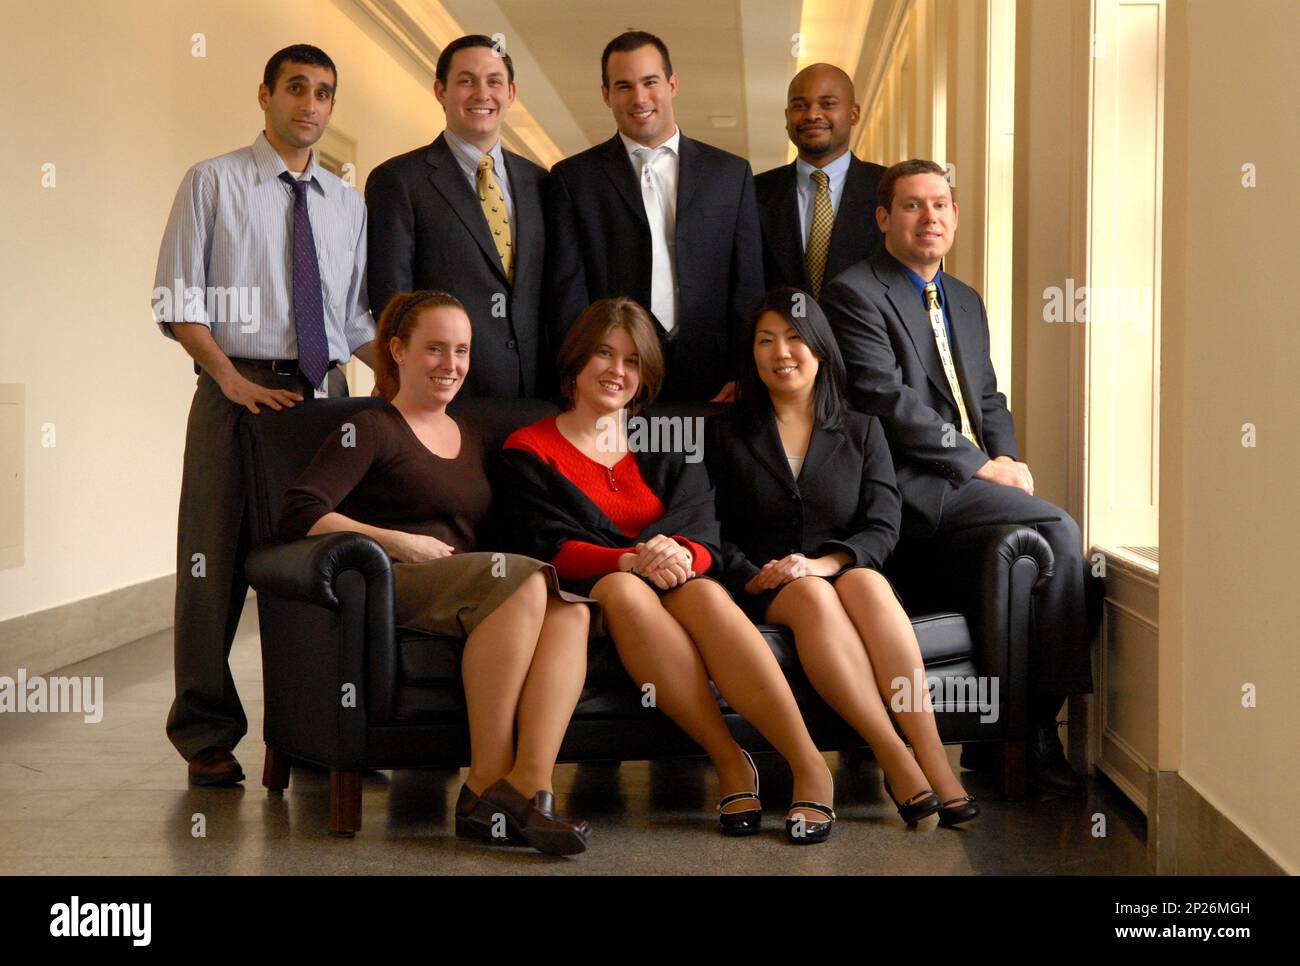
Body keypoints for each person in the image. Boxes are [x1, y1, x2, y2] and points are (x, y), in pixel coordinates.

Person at [498, 298, 837, 843]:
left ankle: (809, 764)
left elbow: (704, 531)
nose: (617, 371)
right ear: (576, 363)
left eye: (632, 361)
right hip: (591, 594)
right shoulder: (529, 447)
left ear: (646, 373)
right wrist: (629, 560)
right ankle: (729, 760)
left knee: (703, 595)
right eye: (604, 354)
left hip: (677, 582)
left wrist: (679, 554)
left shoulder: (670, 440)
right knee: (624, 590)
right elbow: (546, 544)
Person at [277, 291, 594, 855]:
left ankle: (531, 787)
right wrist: (396, 542)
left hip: (471, 581)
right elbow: (301, 510)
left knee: (569, 610)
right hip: (393, 583)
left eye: (463, 351)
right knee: (521, 581)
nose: (451, 365)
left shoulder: (472, 433)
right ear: (396, 351)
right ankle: (483, 783)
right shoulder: (371, 429)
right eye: (435, 350)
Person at [820, 159, 1094, 795]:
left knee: (1053, 546)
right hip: (908, 485)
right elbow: (886, 399)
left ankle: (1018, 734)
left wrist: (1011, 463)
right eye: (912, 206)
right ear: (884, 218)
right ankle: (1034, 732)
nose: (930, 217)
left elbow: (988, 399)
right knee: (1060, 527)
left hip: (971, 484)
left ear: (956, 215)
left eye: (941, 204)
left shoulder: (965, 300)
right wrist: (980, 465)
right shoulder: (854, 293)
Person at [152, 44, 376, 787]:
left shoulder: (348, 203)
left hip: (324, 396)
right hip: (235, 387)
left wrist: (410, 380)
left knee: (318, 563)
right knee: (211, 565)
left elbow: (351, 317)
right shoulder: (213, 182)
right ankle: (206, 734)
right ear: (265, 96)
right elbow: (178, 300)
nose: (310, 104)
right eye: (296, 89)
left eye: (323, 93)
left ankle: (318, 731)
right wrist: (228, 380)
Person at [705, 289, 978, 827]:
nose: (781, 352)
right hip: (764, 586)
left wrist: (827, 563)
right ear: (752, 353)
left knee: (869, 584)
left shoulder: (861, 428)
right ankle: (893, 754)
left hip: (839, 574)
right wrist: (758, 575)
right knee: (808, 592)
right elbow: (709, 527)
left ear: (821, 350)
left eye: (795, 338)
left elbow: (883, 524)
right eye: (766, 340)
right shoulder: (725, 432)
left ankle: (931, 757)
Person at [545, 30, 764, 402]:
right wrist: (581, 372)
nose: (639, 98)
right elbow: (568, 289)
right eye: (624, 86)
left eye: (650, 82)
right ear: (606, 95)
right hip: (613, 377)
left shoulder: (730, 173)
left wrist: (744, 372)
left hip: (714, 379)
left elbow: (748, 285)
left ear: (672, 84)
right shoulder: (573, 179)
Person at [366, 35, 549, 398]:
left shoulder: (541, 182)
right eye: (466, 81)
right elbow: (392, 299)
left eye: (494, 81)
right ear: (440, 90)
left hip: (534, 396)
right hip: (443, 396)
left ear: (511, 93)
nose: (482, 93)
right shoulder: (399, 180)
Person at [754, 64, 886, 298]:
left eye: (827, 104)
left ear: (854, 114)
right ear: (787, 117)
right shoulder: (754, 193)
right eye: (799, 106)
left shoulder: (890, 189)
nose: (812, 115)